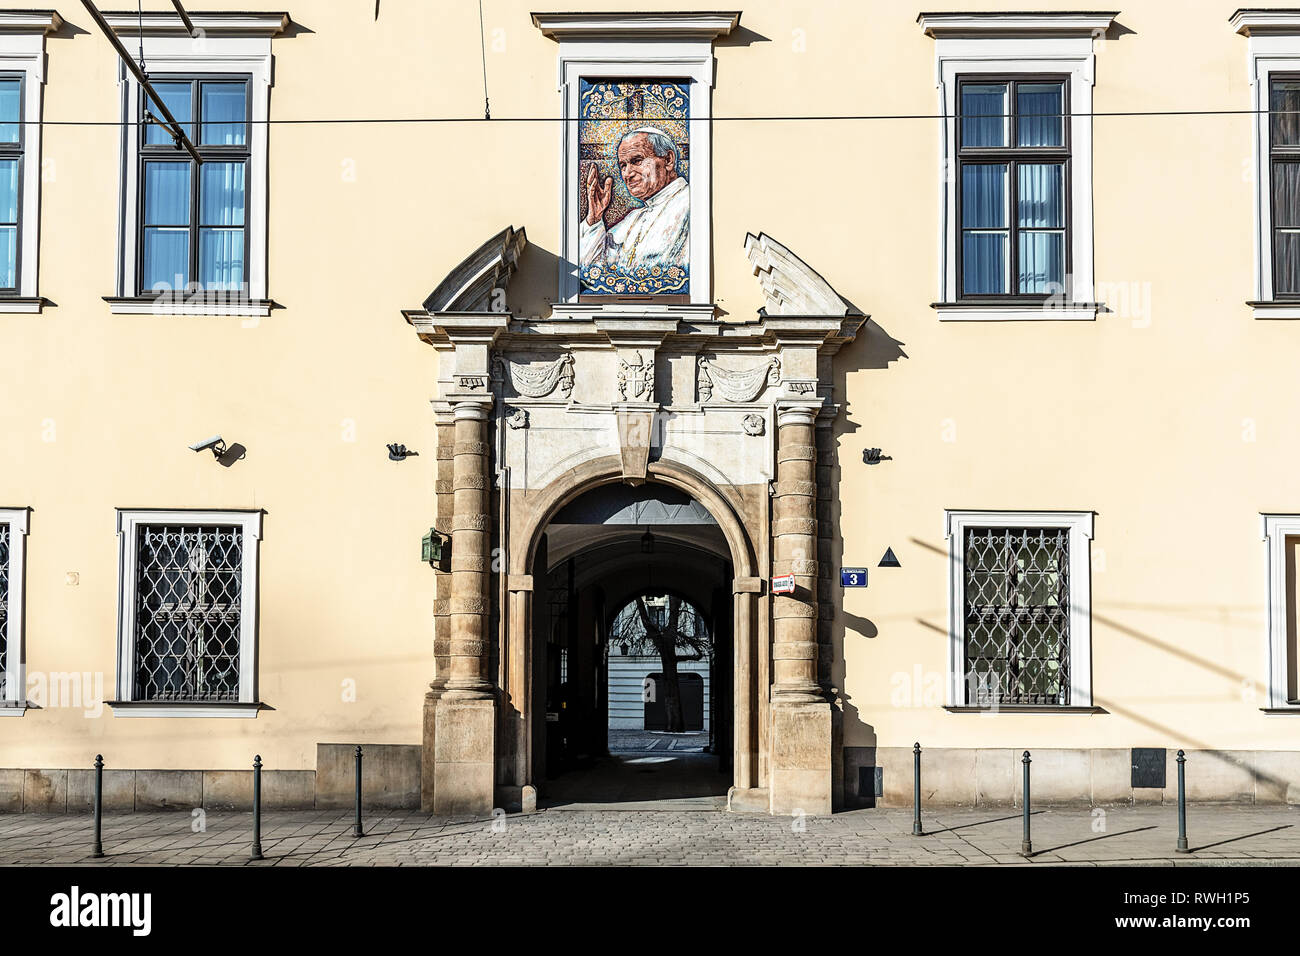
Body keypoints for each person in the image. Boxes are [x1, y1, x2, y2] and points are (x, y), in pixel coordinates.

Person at [580, 126, 689, 286]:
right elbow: (588, 273)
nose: (627, 174)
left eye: (636, 161)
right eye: (623, 165)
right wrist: (594, 220)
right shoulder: (632, 219)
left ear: (668, 160)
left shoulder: (691, 203)